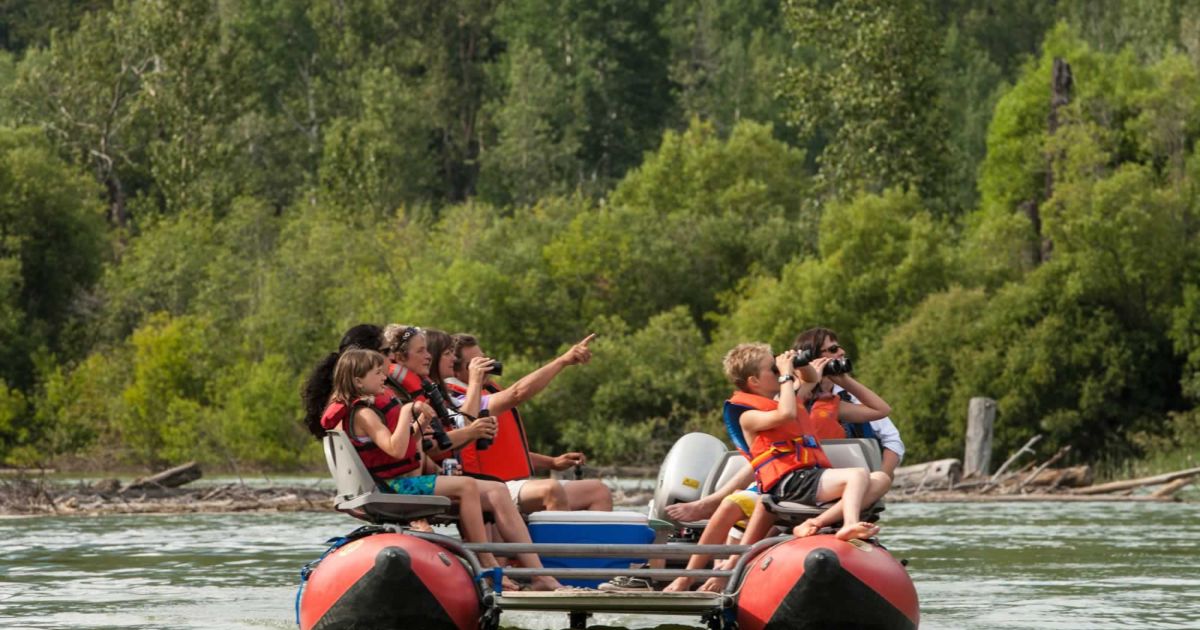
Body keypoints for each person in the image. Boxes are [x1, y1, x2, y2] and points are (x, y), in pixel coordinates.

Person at [317, 348, 568, 591]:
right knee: (466, 486)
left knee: (487, 488)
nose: (384, 377)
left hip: (397, 482)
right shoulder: (363, 414)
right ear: (358, 381)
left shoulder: (367, 409)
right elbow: (394, 449)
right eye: (377, 373)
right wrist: (407, 411)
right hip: (393, 487)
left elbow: (402, 446)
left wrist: (419, 424)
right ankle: (485, 560)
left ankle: (525, 571)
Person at [663, 343, 891, 592]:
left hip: (808, 479)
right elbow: (786, 414)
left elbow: (811, 379)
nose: (779, 370)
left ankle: (816, 523)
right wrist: (785, 376)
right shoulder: (749, 415)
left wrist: (801, 364)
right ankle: (689, 577)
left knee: (880, 478)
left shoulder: (792, 396)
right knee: (856, 475)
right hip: (787, 484)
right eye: (772, 369)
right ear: (754, 381)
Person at [443, 333, 613, 513]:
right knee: (550, 490)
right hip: (489, 487)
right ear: (456, 371)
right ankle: (555, 541)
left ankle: (587, 542)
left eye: (484, 360)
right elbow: (517, 394)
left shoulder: (489, 391)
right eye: (475, 364)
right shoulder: (460, 400)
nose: (485, 367)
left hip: (515, 484)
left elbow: (506, 453)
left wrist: (552, 462)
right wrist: (562, 361)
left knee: (598, 491)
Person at [792, 327, 905, 478]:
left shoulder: (849, 396)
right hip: (806, 476)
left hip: (855, 474)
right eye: (833, 349)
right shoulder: (789, 392)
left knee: (882, 477)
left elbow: (891, 436)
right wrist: (810, 379)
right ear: (813, 358)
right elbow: (783, 412)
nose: (842, 352)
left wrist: (880, 476)